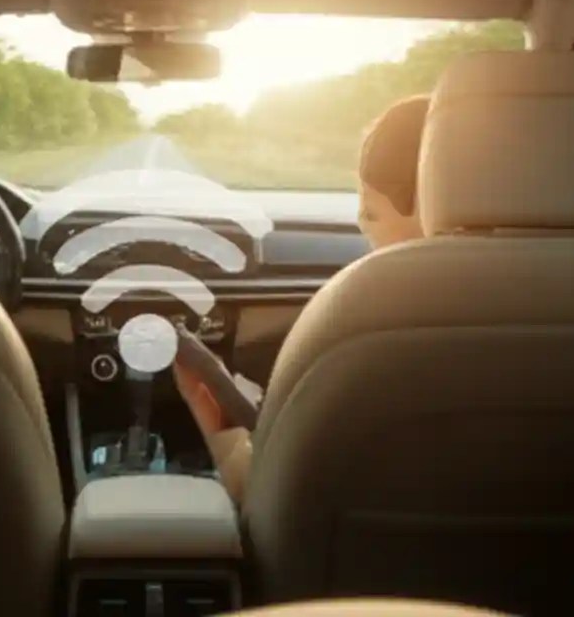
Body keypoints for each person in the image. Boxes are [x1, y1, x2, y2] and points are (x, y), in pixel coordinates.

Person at [173, 94, 431, 503]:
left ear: (429, 201)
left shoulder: (364, 322)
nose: (362, 224)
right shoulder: (568, 296)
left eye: (371, 213)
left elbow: (277, 508)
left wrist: (217, 418)